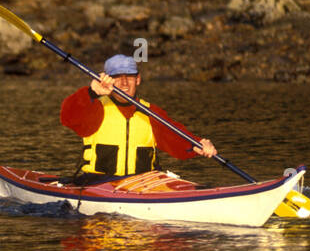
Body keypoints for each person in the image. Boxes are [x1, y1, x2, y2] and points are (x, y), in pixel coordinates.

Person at [59, 54, 217, 184]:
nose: (124, 83)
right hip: (98, 183)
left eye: (129, 76)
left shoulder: (151, 112)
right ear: (107, 80)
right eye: (117, 77)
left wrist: (197, 144)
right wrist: (91, 92)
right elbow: (67, 116)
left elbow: (174, 136)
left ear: (138, 79)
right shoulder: (94, 107)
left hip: (142, 184)